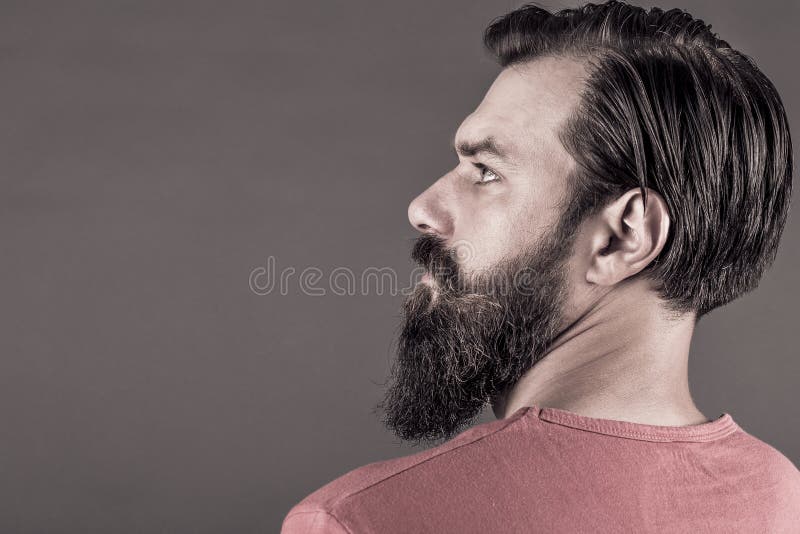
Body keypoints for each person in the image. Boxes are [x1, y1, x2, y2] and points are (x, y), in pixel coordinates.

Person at [281, 1, 800, 532]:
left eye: (485, 171)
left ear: (622, 237)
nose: (422, 208)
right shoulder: (781, 497)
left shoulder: (364, 520)